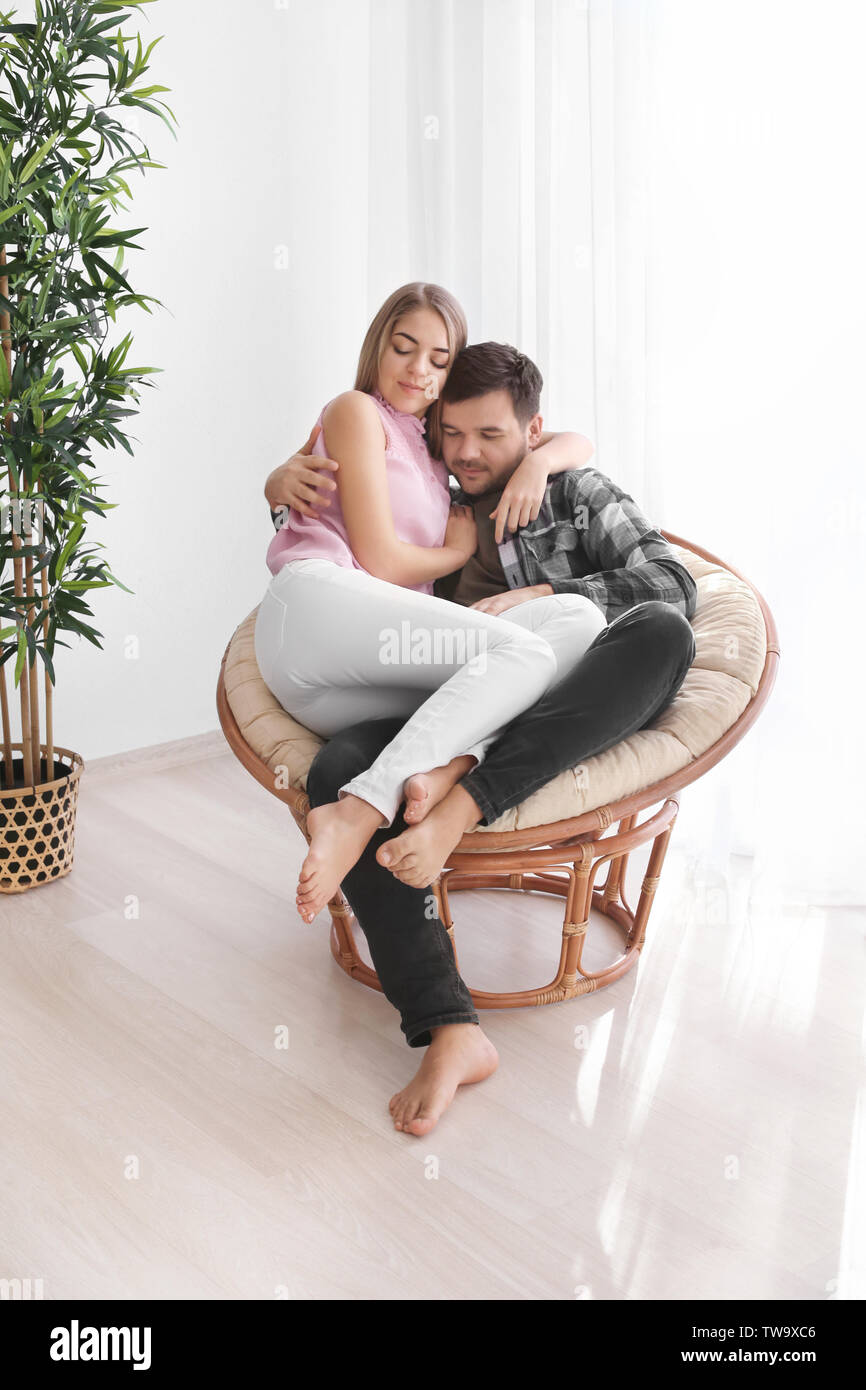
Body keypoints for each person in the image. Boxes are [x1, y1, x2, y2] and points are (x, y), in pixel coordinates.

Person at [265, 339, 697, 1137]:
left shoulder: (572, 490)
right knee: (338, 768)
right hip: (447, 691)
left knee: (662, 634)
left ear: (531, 433)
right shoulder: (432, 490)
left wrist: (543, 583)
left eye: (490, 437)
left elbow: (672, 582)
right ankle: (449, 1027)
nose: (465, 452)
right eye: (451, 432)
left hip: (557, 704)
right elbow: (342, 494)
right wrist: (274, 483)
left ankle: (461, 798)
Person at [255, 283, 609, 927]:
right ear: (378, 348)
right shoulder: (355, 411)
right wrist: (455, 551)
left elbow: (574, 440)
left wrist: (536, 464)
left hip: (363, 677)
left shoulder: (435, 443)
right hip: (314, 611)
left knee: (577, 620)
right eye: (404, 348)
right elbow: (383, 560)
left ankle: (444, 767)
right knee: (523, 653)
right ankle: (361, 808)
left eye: (439, 359)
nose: (419, 370)